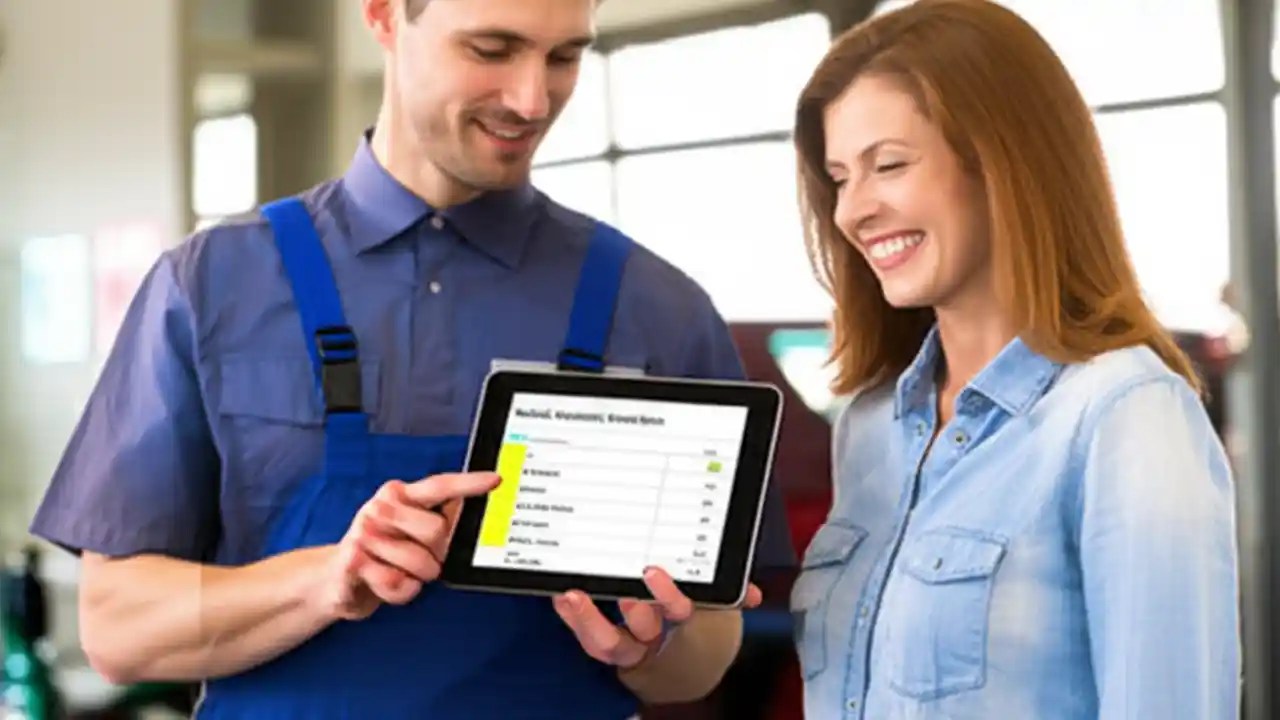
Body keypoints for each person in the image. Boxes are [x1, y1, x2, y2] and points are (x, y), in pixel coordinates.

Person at [27, 0, 794, 717]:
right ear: (385, 15)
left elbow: (709, 649)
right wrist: (328, 578)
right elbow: (118, 629)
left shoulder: (658, 308)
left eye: (563, 58)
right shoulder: (207, 287)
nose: (531, 99)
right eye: (492, 49)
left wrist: (654, 644)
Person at [787, 1, 1240, 718]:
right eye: (840, 177)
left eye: (891, 165)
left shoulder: (1124, 416)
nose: (851, 211)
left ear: (1005, 160)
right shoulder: (869, 424)